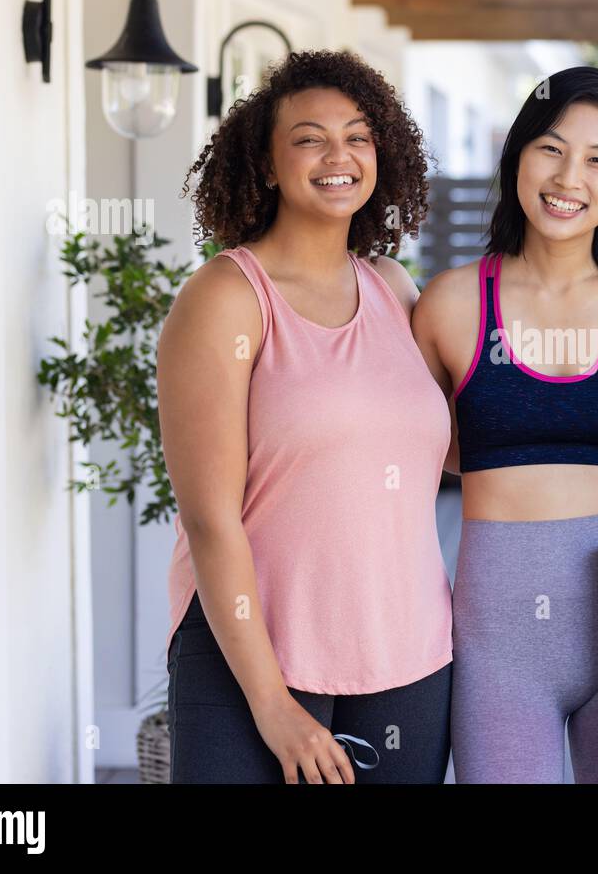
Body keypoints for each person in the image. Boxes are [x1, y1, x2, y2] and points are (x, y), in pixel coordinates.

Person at [412, 66, 598, 783]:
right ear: (518, 153)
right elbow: (427, 457)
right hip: (497, 641)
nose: (568, 175)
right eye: (550, 148)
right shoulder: (450, 306)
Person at [158, 50, 452, 784]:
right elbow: (210, 519)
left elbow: (454, 448)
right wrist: (271, 701)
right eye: (309, 137)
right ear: (265, 163)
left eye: (357, 135)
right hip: (252, 656)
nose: (339, 156)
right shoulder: (225, 297)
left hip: (406, 652)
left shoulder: (394, 287)